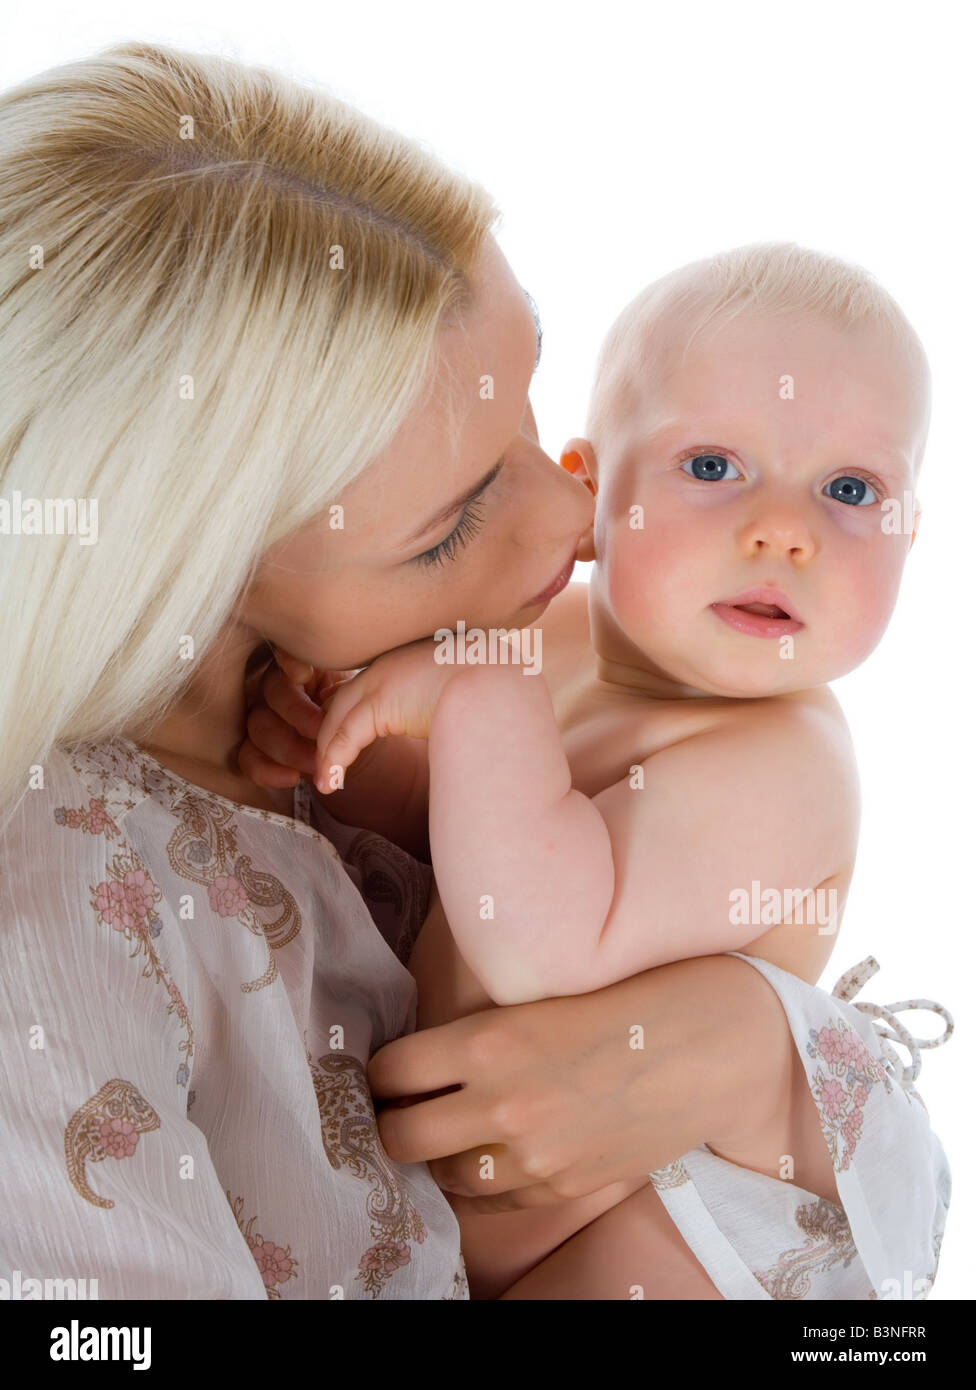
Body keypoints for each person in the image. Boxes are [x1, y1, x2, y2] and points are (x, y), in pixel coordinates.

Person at [0, 39, 949, 1300]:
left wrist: (765, 1055)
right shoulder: (66, 894)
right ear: (187, 574)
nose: (572, 524)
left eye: (527, 409)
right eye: (448, 524)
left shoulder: (371, 718)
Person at [266, 242, 952, 1298]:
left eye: (850, 489)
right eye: (714, 467)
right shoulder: (563, 636)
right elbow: (442, 826)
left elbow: (544, 952)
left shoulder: (782, 762)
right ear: (590, 493)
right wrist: (336, 741)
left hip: (668, 1235)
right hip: (471, 1213)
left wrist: (472, 696)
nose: (784, 533)